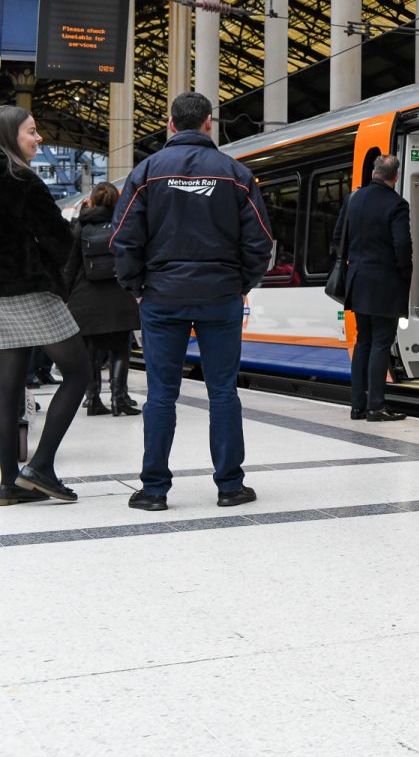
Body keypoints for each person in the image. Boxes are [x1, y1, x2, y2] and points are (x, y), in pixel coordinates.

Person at [111, 92, 273, 512]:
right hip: (220, 297)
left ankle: (154, 491)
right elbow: (261, 241)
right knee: (223, 392)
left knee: (161, 395)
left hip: (161, 298)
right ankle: (230, 487)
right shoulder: (236, 174)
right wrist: (242, 284)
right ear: (208, 124)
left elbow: (123, 238)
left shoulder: (145, 172)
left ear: (170, 124)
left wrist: (137, 287)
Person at [0, 105, 91, 505]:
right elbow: (58, 238)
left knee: (7, 393)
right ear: (9, 135)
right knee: (79, 373)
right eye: (31, 132)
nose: (38, 139)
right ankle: (41, 466)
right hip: (30, 290)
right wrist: (55, 269)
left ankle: (8, 483)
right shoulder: (20, 179)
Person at [333, 154, 412, 422]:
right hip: (385, 284)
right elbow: (402, 246)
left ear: (374, 172)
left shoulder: (353, 200)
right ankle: (376, 406)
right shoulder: (397, 205)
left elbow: (337, 238)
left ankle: (357, 406)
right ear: (396, 177)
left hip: (357, 281)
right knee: (381, 342)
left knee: (363, 341)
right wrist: (404, 275)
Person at [62, 182, 142, 417]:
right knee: (120, 350)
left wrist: (64, 295)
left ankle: (93, 400)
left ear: (92, 202)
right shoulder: (123, 224)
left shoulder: (80, 226)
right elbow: (134, 259)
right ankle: (119, 400)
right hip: (119, 296)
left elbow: (71, 265)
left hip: (86, 298)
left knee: (89, 353)